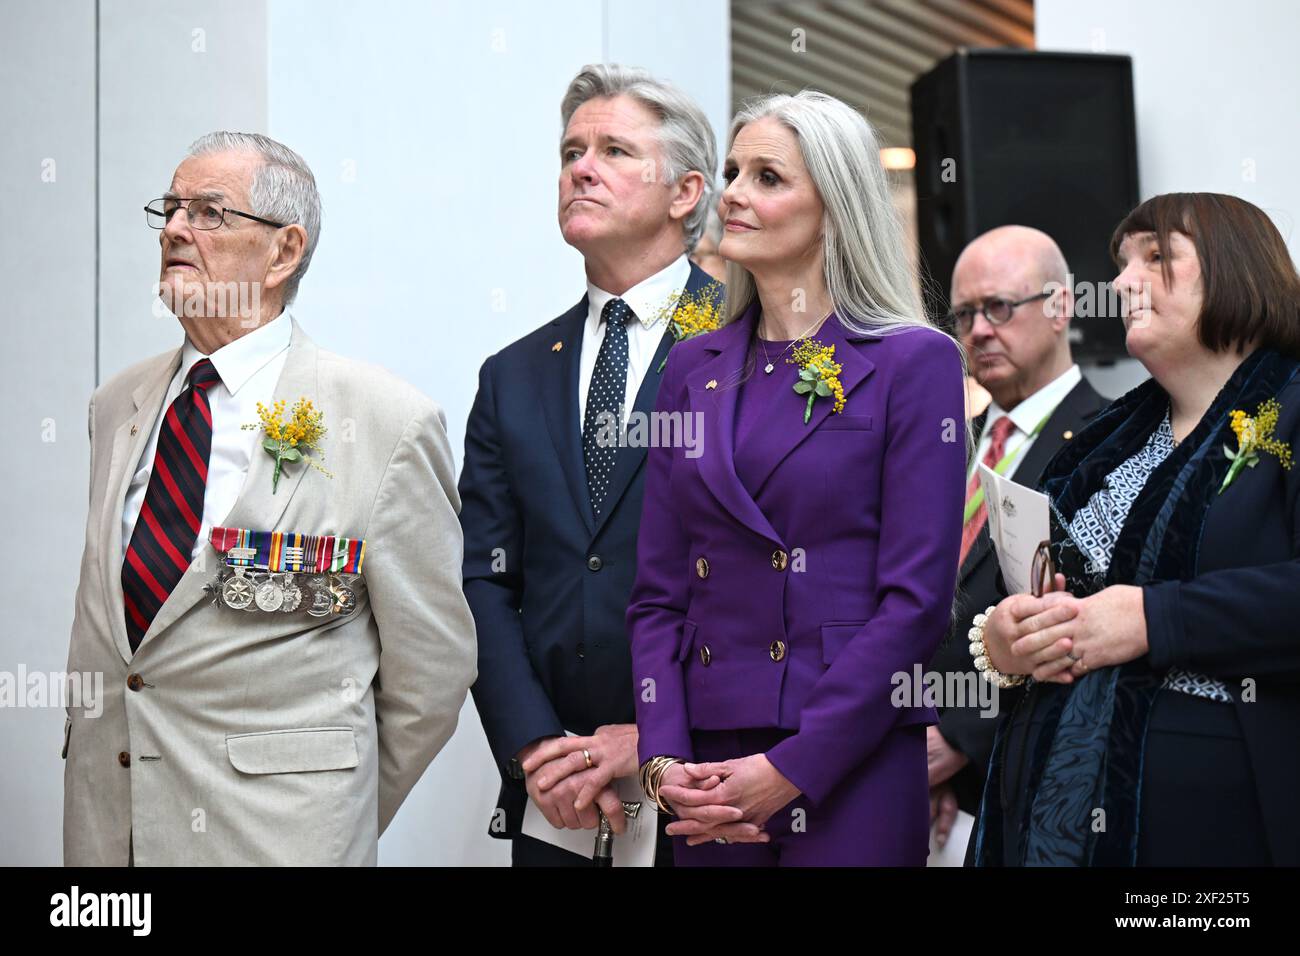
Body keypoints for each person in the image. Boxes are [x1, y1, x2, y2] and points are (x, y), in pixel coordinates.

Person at [62, 132, 476, 866]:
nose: (178, 230)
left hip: (277, 843)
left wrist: (327, 816)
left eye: (211, 212)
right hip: (109, 843)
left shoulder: (383, 421)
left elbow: (432, 672)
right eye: (171, 209)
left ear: (284, 252)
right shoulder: (114, 404)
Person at [628, 90, 966, 866]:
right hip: (708, 771)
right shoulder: (692, 366)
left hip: (852, 752)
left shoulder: (915, 362)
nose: (734, 193)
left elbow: (915, 603)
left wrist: (793, 769)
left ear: (834, 207)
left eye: (767, 177)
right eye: (732, 172)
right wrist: (666, 763)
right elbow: (656, 594)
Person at [971, 192, 1300, 866]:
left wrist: (1155, 617)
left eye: (1155, 256)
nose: (1122, 282)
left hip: (1214, 829)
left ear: (1238, 268)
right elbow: (1044, 593)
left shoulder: (1290, 414)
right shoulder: (1104, 439)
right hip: (1044, 807)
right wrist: (1006, 641)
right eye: (1121, 264)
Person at [460, 64, 721, 866]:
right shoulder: (514, 374)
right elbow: (486, 581)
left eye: (613, 149)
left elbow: (776, 587)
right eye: (572, 150)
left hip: (705, 785)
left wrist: (655, 736)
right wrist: (536, 747)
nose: (581, 167)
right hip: (558, 805)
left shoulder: (750, 345)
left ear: (684, 194)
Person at [925, 226, 1107, 853]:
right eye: (965, 314)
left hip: (1029, 793)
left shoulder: (1114, 440)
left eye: (1000, 307)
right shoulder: (941, 445)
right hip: (916, 790)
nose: (978, 330)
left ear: (1061, 307)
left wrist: (959, 739)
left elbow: (1082, 623)